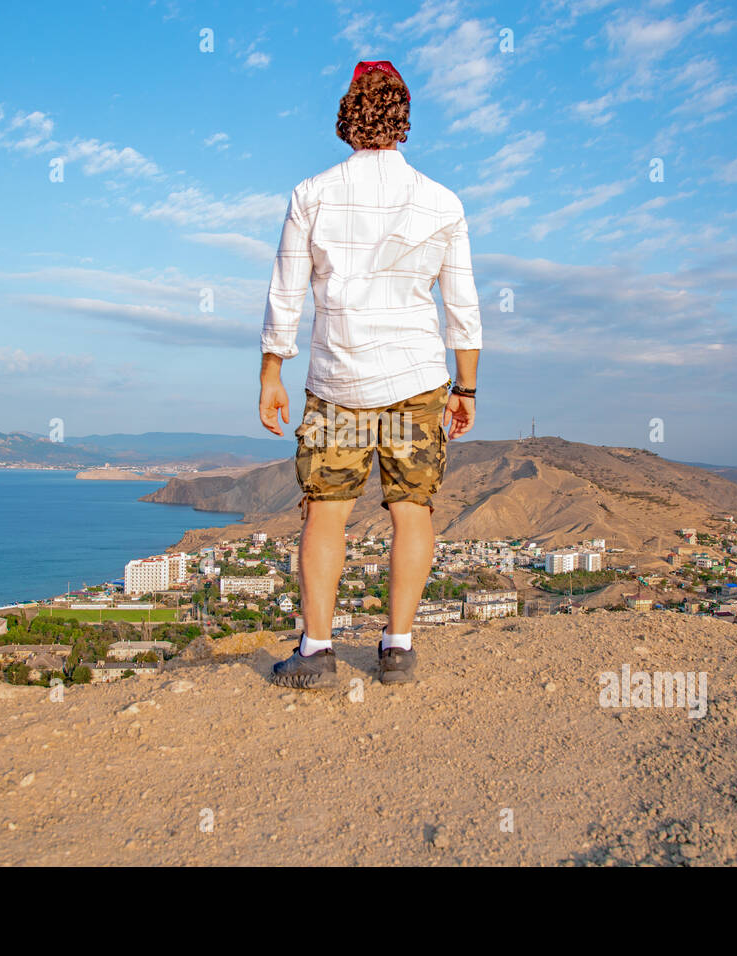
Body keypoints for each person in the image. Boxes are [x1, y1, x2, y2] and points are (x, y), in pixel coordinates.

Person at [258, 60, 481, 688]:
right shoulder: (442, 201)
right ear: (404, 116)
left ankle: (317, 653)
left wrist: (272, 371)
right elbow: (461, 307)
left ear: (347, 115)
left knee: (324, 511)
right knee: (413, 509)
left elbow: (286, 295)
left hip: (337, 385)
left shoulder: (311, 194)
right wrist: (465, 387)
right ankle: (397, 650)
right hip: (417, 382)